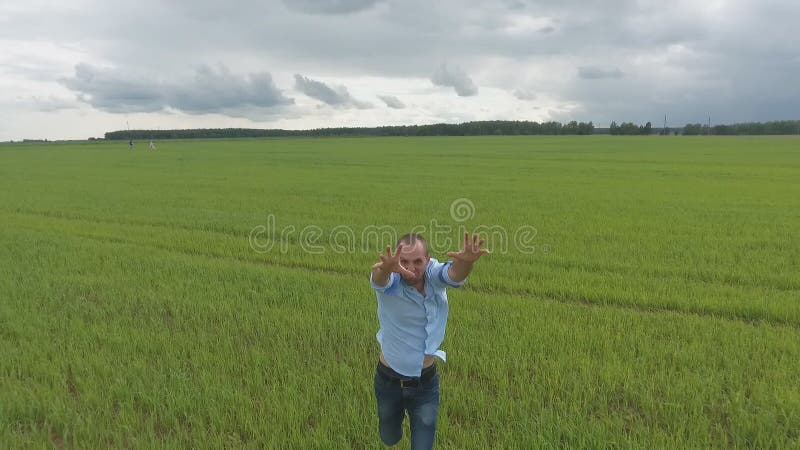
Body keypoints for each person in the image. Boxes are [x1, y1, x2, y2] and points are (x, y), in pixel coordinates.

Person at [370, 232, 489, 449]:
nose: (410, 268)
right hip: (388, 380)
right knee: (389, 437)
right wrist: (387, 268)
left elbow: (453, 274)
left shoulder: (433, 275)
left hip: (426, 383)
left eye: (418, 261)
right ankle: (393, 430)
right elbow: (379, 280)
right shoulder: (392, 281)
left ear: (428, 260)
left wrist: (467, 264)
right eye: (403, 261)